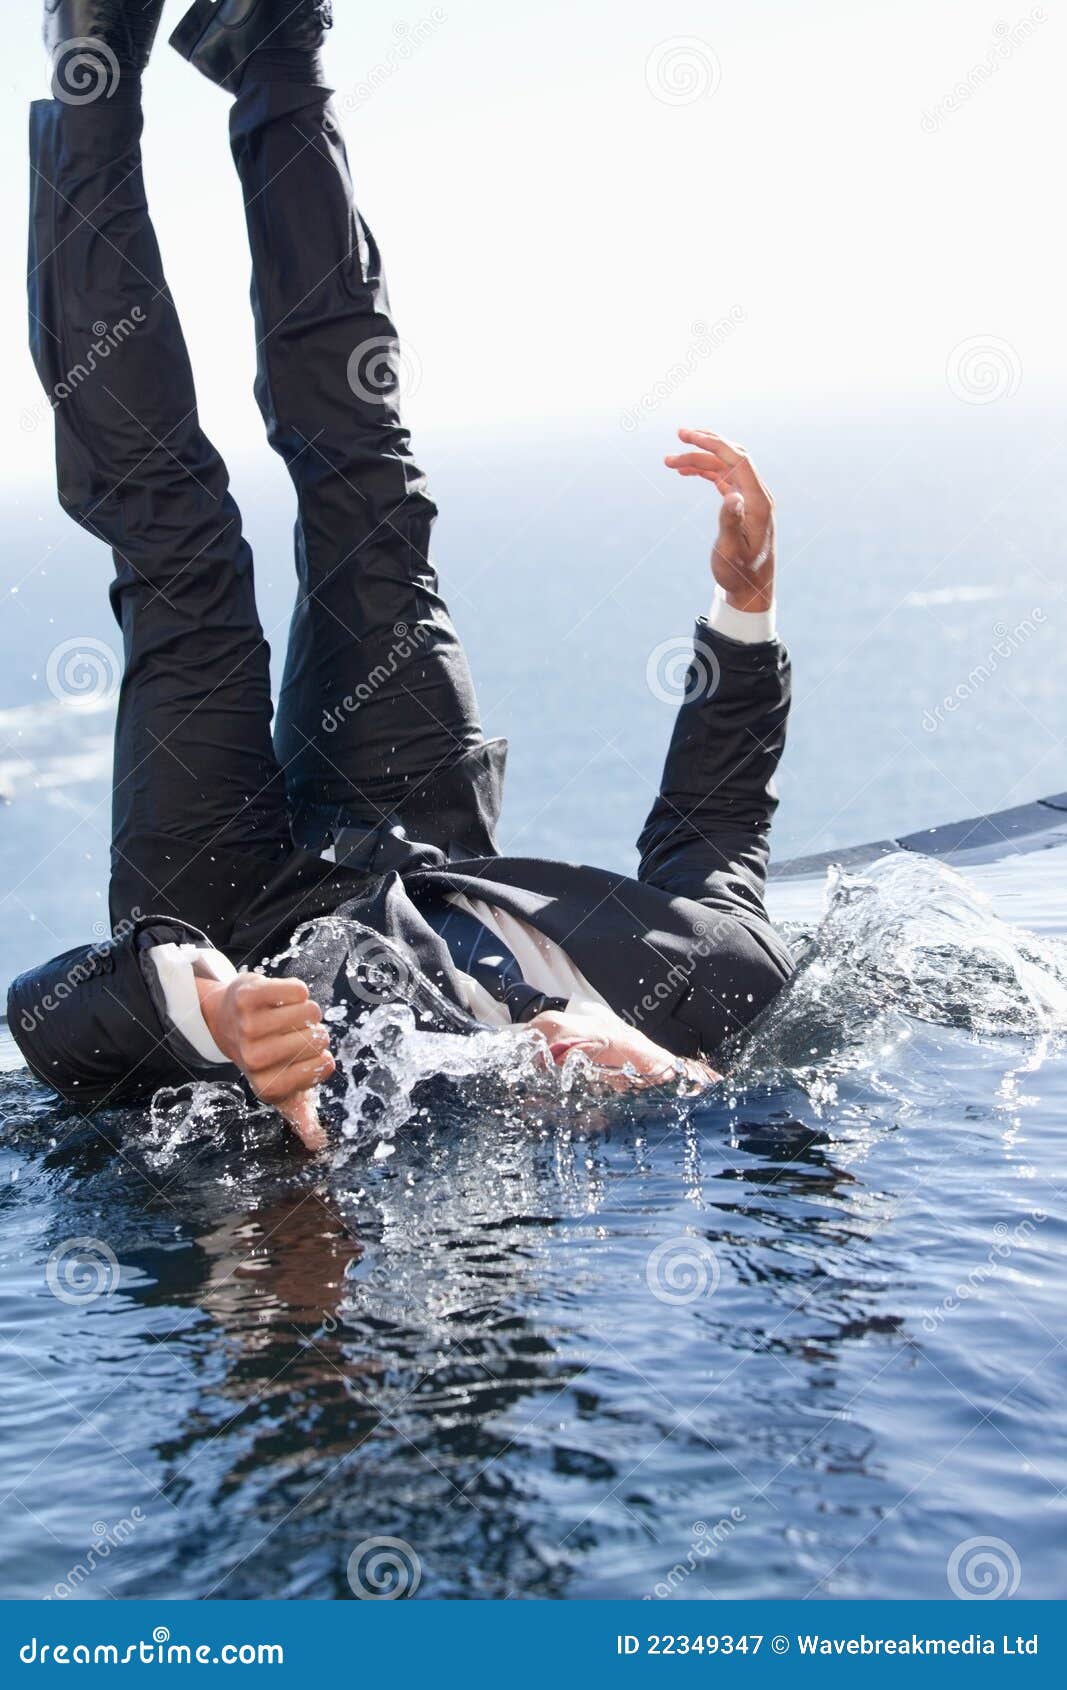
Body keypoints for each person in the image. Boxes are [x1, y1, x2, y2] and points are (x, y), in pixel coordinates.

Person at [9, 0, 794, 1150]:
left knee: (184, 549)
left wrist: (213, 1010)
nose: (584, 1074)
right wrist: (745, 601)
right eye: (630, 1077)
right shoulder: (721, 980)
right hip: (415, 820)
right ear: (672, 1071)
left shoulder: (378, 1106)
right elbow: (714, 830)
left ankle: (94, 61)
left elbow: (51, 1015)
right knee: (371, 493)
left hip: (228, 915)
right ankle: (268, 48)